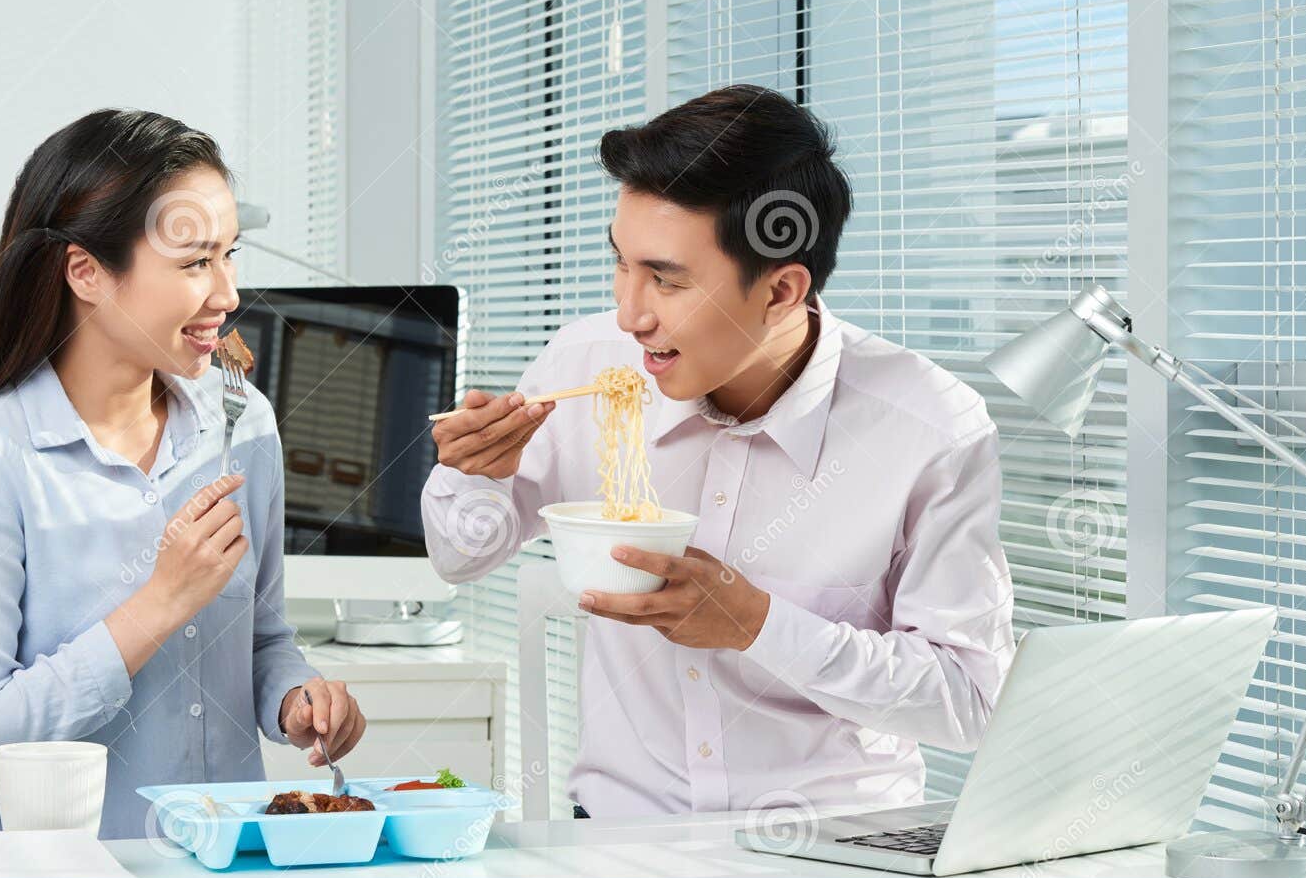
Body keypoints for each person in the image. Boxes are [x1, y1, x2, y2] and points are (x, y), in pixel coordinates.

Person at [422, 85, 1015, 819]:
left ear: (781, 291)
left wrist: (760, 624)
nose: (629, 313)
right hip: (619, 843)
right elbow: (460, 557)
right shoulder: (584, 364)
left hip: (842, 852)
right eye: (622, 265)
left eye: (667, 280)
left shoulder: (928, 429)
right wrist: (472, 474)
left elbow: (970, 700)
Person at [0, 109, 364, 839]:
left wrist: (296, 699)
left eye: (229, 255)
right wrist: (157, 605)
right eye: (193, 262)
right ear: (86, 271)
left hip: (224, 875)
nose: (228, 294)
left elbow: (264, 637)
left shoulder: (243, 424)